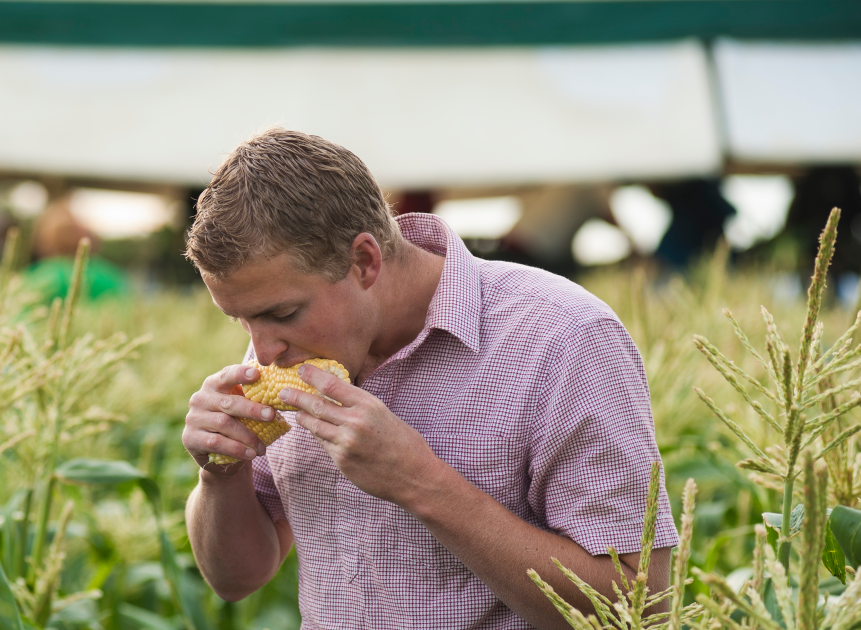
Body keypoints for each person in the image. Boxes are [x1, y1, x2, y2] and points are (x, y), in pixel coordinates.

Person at [181, 128, 676, 630]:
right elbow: (236, 579)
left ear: (364, 262)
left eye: (282, 313)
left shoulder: (564, 338)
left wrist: (422, 483)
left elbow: (640, 607)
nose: (262, 349)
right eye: (242, 321)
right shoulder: (287, 342)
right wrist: (221, 475)